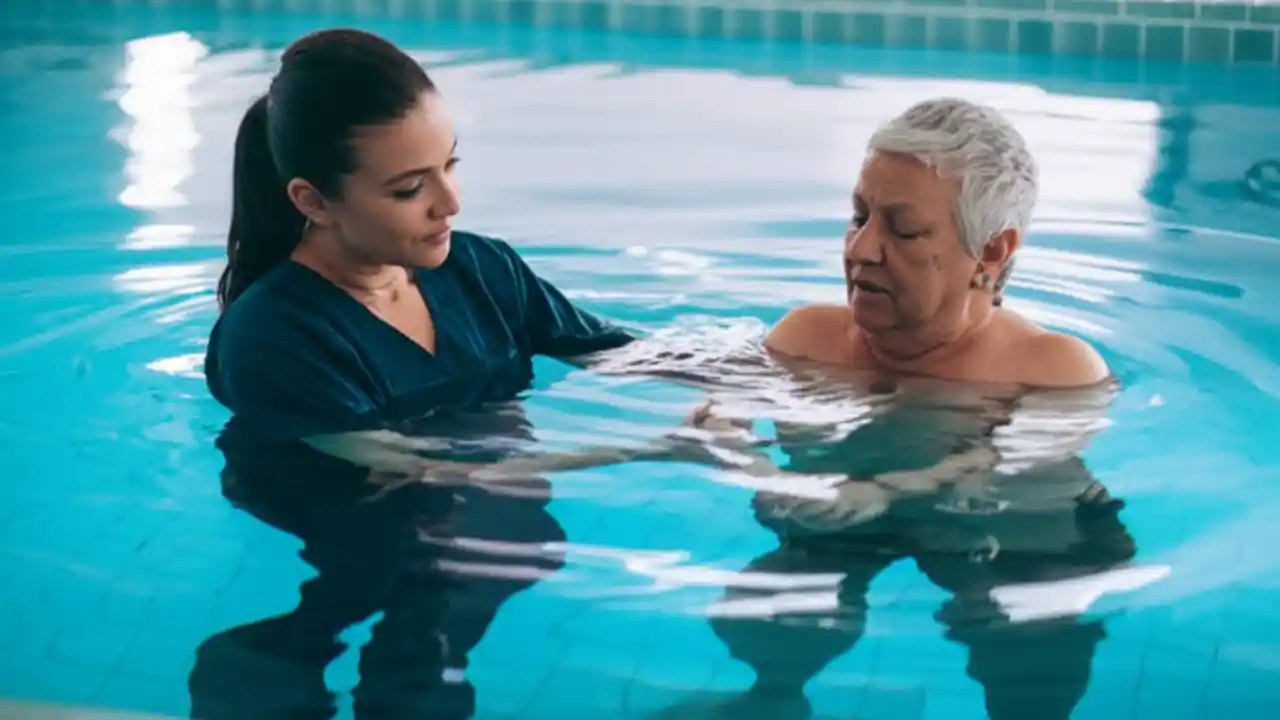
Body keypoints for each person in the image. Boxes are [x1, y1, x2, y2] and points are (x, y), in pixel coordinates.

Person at [649, 98, 1137, 720]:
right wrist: (728, 437)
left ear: (991, 252)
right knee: (765, 612)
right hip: (855, 519)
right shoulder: (806, 339)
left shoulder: (1052, 368)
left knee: (1032, 646)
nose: (861, 249)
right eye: (859, 216)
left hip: (1010, 539)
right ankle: (771, 698)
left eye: (902, 231)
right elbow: (723, 406)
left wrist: (886, 489)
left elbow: (1008, 457)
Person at [204, 27, 636, 454]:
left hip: (515, 493)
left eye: (449, 165)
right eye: (409, 189)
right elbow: (408, 466)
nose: (450, 203)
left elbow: (618, 353)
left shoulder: (484, 270)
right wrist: (639, 451)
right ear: (314, 201)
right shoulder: (270, 336)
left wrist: (683, 378)